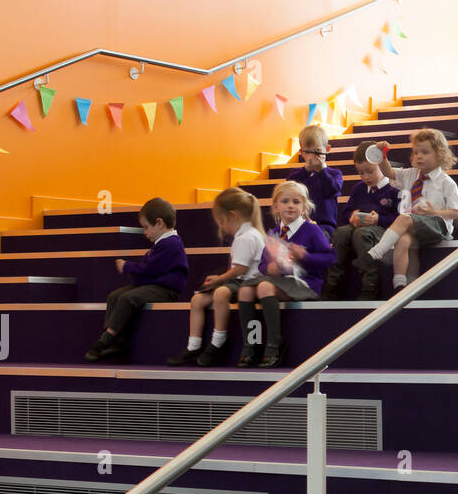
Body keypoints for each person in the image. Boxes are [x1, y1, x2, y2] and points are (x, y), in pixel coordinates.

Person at [237, 180, 334, 368]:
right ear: (275, 207)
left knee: (264, 286)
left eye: (296, 202)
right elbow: (264, 265)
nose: (291, 205)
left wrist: (305, 256)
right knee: (245, 291)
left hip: (306, 284)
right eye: (285, 201)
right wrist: (269, 268)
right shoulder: (274, 233)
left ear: (304, 206)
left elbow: (329, 258)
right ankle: (252, 343)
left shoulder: (312, 230)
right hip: (279, 283)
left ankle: (275, 343)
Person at [167, 188, 264, 367]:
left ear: (233, 216)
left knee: (220, 293)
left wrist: (219, 279)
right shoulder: (242, 235)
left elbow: (240, 270)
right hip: (237, 281)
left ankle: (218, 341)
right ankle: (194, 346)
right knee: (197, 300)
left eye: (221, 221)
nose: (221, 226)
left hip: (248, 283)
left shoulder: (248, 237)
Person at [356, 128, 458, 292]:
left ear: (439, 155)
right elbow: (388, 172)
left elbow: (456, 212)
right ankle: (399, 284)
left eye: (424, 152)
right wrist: (382, 156)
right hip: (416, 224)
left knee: (404, 218)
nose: (418, 156)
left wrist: (435, 213)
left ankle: (375, 254)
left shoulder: (445, 182)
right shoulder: (411, 174)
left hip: (437, 226)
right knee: (403, 239)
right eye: (415, 152)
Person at [85, 197, 188, 362]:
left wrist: (127, 266)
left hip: (166, 290)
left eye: (146, 227)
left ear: (159, 223)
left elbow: (149, 270)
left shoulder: (171, 244)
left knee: (128, 298)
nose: (145, 232)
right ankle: (117, 341)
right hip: (153, 284)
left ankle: (106, 338)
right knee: (114, 296)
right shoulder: (162, 244)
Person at [324, 141, 401, 300]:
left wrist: (378, 219)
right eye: (361, 173)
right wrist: (352, 217)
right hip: (359, 227)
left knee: (361, 234)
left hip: (382, 229)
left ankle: (370, 283)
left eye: (370, 171)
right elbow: (345, 214)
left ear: (381, 165)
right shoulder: (359, 188)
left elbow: (400, 218)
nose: (365, 177)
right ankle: (332, 282)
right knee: (341, 232)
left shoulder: (394, 188)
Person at [285, 123, 343, 239]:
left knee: (315, 236)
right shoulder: (298, 174)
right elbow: (288, 189)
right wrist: (306, 170)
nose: (312, 157)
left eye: (317, 151)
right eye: (308, 152)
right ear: (301, 153)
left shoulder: (334, 174)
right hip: (299, 224)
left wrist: (321, 170)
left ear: (327, 150)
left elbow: (331, 190)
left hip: (325, 226)